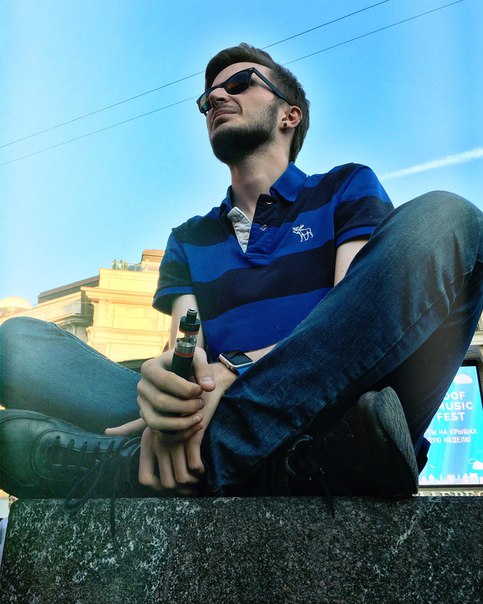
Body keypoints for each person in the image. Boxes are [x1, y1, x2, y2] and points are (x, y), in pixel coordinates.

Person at [0, 43, 482, 504]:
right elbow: (186, 350)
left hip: (343, 408)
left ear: (289, 115)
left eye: (239, 84)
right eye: (207, 98)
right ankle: (270, 463)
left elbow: (354, 325)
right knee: (16, 342)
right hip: (218, 411)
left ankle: (155, 464)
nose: (215, 98)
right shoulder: (188, 237)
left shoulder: (345, 186)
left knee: (448, 218)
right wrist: (167, 389)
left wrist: (240, 369)